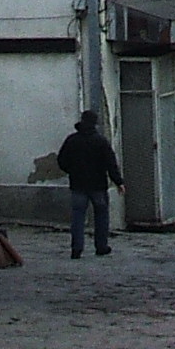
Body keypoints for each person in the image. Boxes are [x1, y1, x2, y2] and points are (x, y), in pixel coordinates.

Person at [57, 109, 124, 258]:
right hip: (98, 185)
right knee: (101, 216)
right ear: (95, 123)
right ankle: (101, 246)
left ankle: (76, 248)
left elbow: (61, 160)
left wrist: (72, 171)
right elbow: (111, 163)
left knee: (78, 217)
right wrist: (118, 182)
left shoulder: (72, 140)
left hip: (78, 184)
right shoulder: (101, 141)